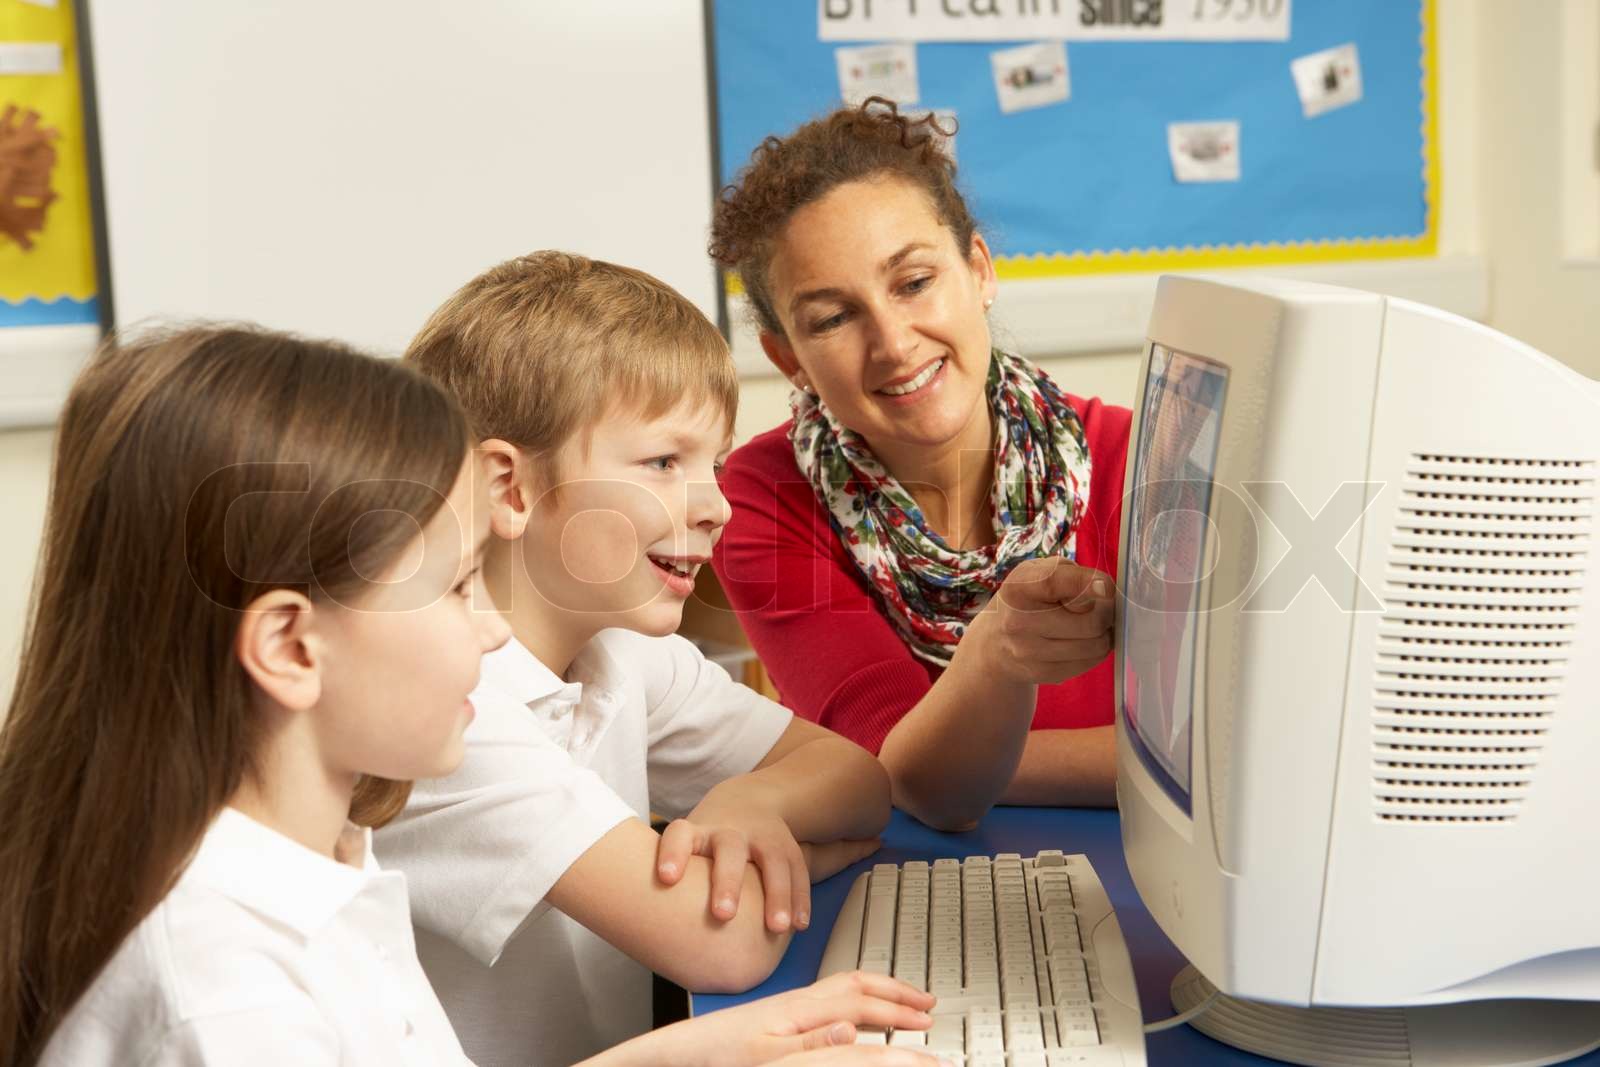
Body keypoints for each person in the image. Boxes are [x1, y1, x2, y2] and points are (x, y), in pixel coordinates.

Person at [0, 324, 942, 1067]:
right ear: (290, 646)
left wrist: (714, 1051)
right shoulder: (223, 994)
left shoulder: (332, 853)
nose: (489, 631)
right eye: (456, 589)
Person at [375, 252, 895, 1067]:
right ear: (510, 490)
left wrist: (750, 807)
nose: (717, 504)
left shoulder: (622, 649)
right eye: (664, 462)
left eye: (714, 463)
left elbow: (859, 780)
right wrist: (798, 841)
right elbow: (720, 942)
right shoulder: (449, 709)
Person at [708, 100, 1131, 832]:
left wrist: (904, 764)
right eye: (833, 319)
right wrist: (994, 656)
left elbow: (1227, 762)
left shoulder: (1138, 455)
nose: (895, 343)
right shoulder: (762, 493)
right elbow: (922, 783)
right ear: (788, 360)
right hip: (906, 897)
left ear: (978, 271)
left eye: (913, 283)